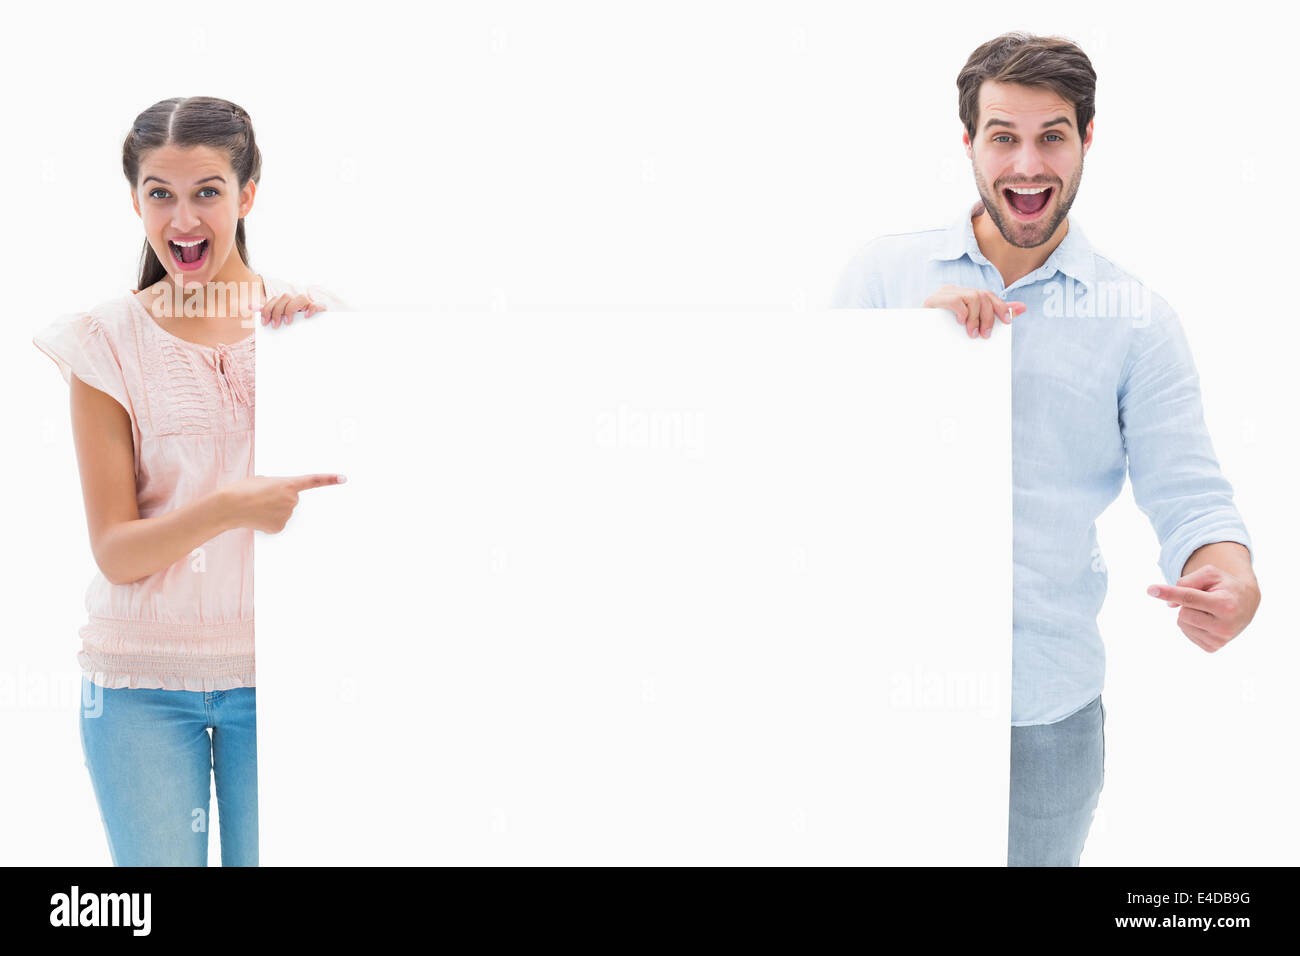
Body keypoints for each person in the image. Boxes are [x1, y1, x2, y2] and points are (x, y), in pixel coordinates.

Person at [833, 33, 1260, 866]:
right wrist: (907, 360)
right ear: (969, 144)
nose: (1027, 164)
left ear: (1087, 139)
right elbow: (809, 459)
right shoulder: (883, 279)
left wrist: (1232, 576)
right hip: (881, 684)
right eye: (1003, 136)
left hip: (1045, 716)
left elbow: (1192, 496)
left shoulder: (1137, 319)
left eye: (1052, 135)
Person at [32, 96, 348, 866]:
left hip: (289, 678)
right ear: (135, 199)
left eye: (207, 190)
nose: (182, 217)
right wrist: (227, 507)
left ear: (247, 194)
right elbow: (117, 549)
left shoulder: (314, 326)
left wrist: (324, 350)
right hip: (142, 690)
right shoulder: (104, 342)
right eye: (159, 193)